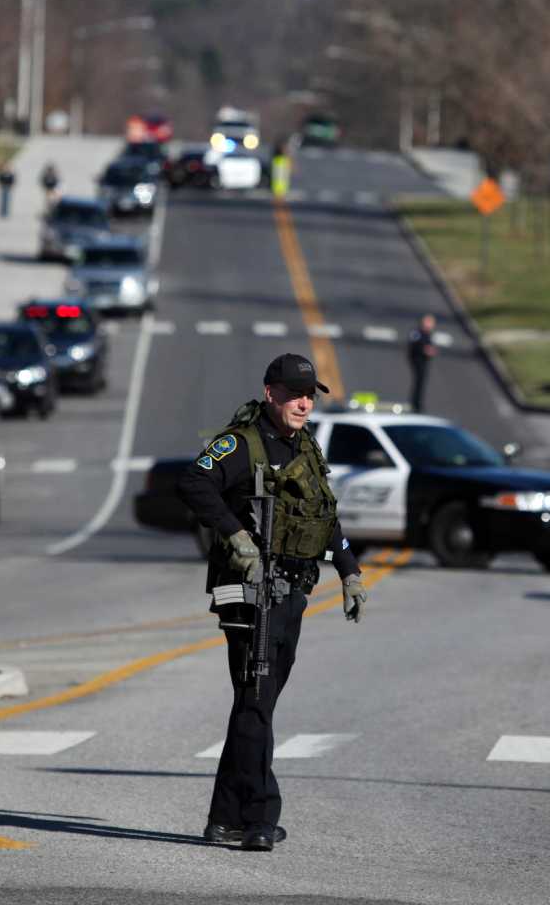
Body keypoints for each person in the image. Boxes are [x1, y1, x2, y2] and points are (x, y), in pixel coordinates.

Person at [177, 353, 367, 852]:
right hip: (248, 593)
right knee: (256, 702)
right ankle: (261, 816)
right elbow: (194, 482)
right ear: (270, 394)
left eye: (309, 395)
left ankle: (223, 819)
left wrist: (349, 571)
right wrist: (237, 537)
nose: (303, 403)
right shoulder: (242, 444)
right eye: (293, 394)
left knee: (254, 706)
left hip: (291, 591)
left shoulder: (305, 445)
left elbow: (324, 515)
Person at [407, 314, 438, 413]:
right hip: (418, 360)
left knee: (421, 383)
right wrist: (425, 350)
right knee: (419, 382)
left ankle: (417, 403)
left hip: (424, 361)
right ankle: (415, 403)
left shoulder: (428, 334)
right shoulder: (417, 333)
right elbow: (414, 346)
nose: (432, 325)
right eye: (430, 323)